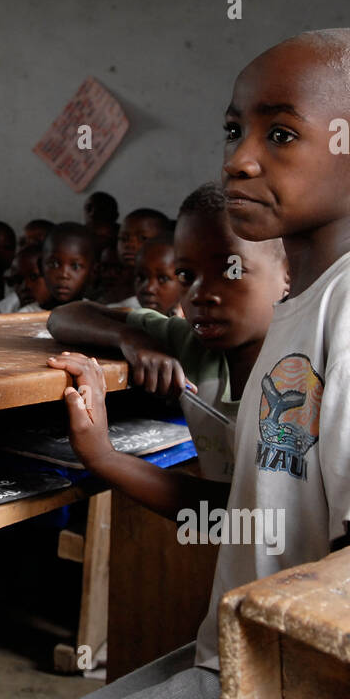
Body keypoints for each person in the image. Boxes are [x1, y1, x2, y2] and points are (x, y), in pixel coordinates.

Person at [61, 28, 350, 699]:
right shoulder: (300, 309)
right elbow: (254, 519)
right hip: (241, 658)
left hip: (296, 681)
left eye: (280, 135)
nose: (239, 161)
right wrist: (105, 458)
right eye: (233, 130)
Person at [49, 182, 288, 486]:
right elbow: (64, 316)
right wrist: (132, 339)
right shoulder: (188, 341)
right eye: (187, 276)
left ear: (289, 273)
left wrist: (103, 458)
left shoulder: (305, 373)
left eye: (231, 271)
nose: (201, 294)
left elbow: (232, 512)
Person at [20, 222, 94, 313]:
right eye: (54, 264)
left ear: (92, 271)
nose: (64, 275)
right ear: (41, 267)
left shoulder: (97, 316)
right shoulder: (24, 317)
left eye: (75, 266)